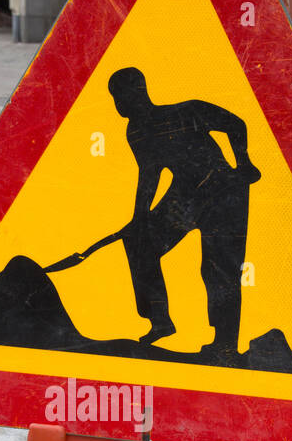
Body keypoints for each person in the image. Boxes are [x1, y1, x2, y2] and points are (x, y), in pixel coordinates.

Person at [108, 67, 261, 353]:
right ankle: (160, 320)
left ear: (138, 92)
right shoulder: (137, 131)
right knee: (141, 242)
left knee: (218, 268)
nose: (118, 104)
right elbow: (149, 175)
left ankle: (225, 342)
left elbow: (236, 124)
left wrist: (243, 163)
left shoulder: (187, 111)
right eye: (115, 98)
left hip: (223, 191)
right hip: (186, 195)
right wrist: (139, 218)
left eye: (121, 96)